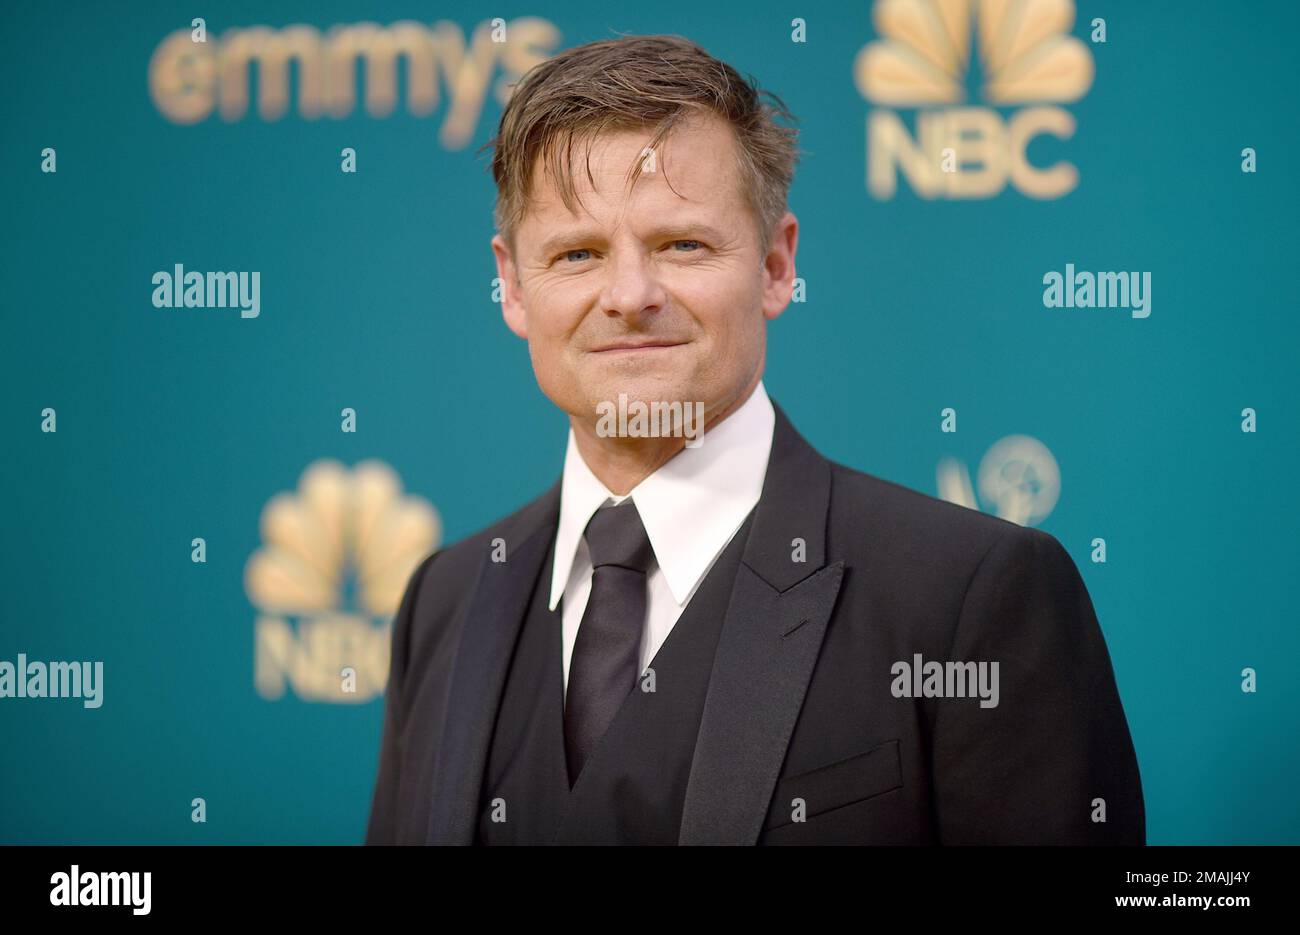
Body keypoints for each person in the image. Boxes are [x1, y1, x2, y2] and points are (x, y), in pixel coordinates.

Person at [364, 34, 1144, 845]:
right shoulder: (446, 601)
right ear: (513, 288)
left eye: (682, 244)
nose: (630, 294)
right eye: (578, 253)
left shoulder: (971, 596)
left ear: (776, 266)